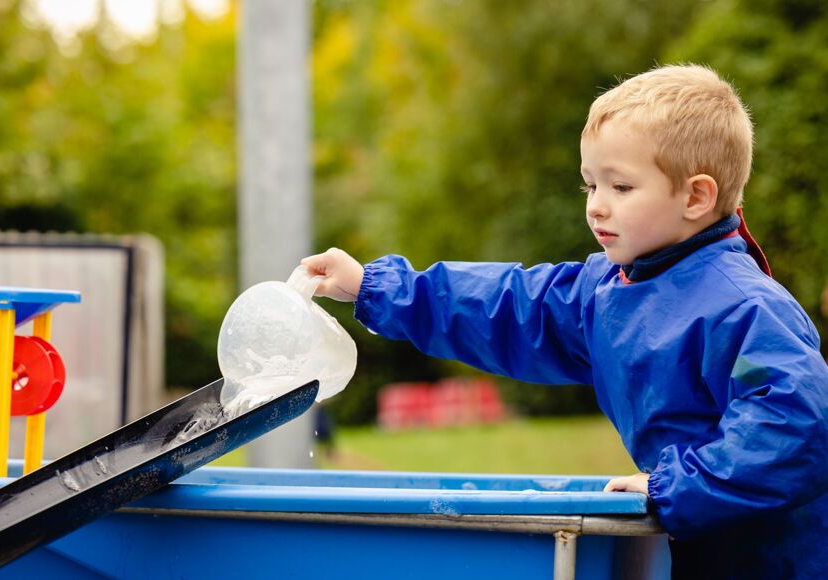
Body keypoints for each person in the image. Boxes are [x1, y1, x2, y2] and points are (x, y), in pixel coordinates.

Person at [300, 65, 827, 578]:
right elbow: (507, 307)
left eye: (620, 188)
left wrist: (676, 488)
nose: (596, 207)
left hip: (785, 562)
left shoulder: (745, 307)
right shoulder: (607, 290)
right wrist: (375, 286)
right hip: (704, 550)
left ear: (696, 196)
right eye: (589, 186)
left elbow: (798, 423)